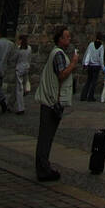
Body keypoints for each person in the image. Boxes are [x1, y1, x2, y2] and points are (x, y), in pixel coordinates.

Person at [34, 25, 78, 181]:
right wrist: (73, 63)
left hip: (51, 100)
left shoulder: (57, 53)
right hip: (52, 101)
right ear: (60, 39)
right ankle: (43, 170)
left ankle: (43, 167)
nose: (69, 39)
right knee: (46, 136)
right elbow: (61, 75)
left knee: (47, 136)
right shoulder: (58, 54)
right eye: (67, 36)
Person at [80, 32, 105, 101]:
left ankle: (83, 96)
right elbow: (101, 58)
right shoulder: (101, 46)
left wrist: (85, 63)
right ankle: (90, 96)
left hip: (90, 66)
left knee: (88, 81)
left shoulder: (91, 44)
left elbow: (88, 54)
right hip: (97, 66)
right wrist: (103, 68)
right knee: (94, 82)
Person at [14, 34, 32, 115]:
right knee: (21, 86)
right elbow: (29, 58)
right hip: (26, 68)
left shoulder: (18, 49)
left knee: (19, 89)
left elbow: (15, 58)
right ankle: (10, 104)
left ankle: (20, 108)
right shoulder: (29, 48)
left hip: (20, 68)